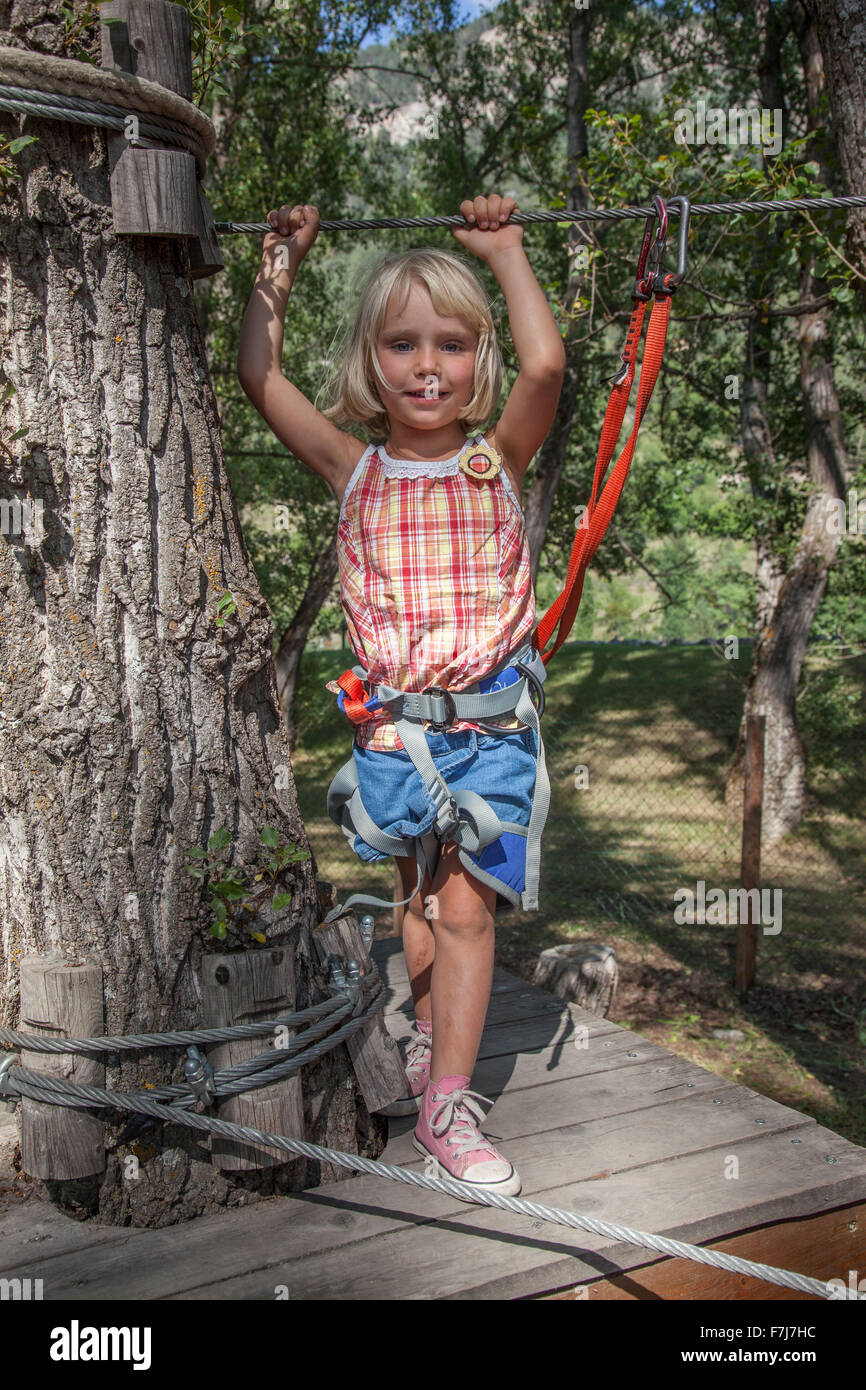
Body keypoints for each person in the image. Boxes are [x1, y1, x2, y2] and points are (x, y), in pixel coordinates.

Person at [238, 194, 565, 1199]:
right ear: (370, 363)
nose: (429, 364)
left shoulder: (493, 458)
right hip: (392, 743)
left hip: (492, 735)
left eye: (453, 344)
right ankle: (429, 1039)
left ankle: (446, 1105)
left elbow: (547, 365)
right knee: (418, 899)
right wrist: (274, 267)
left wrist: (505, 253)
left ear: (479, 360)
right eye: (402, 344)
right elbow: (256, 375)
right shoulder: (353, 467)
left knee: (467, 911)